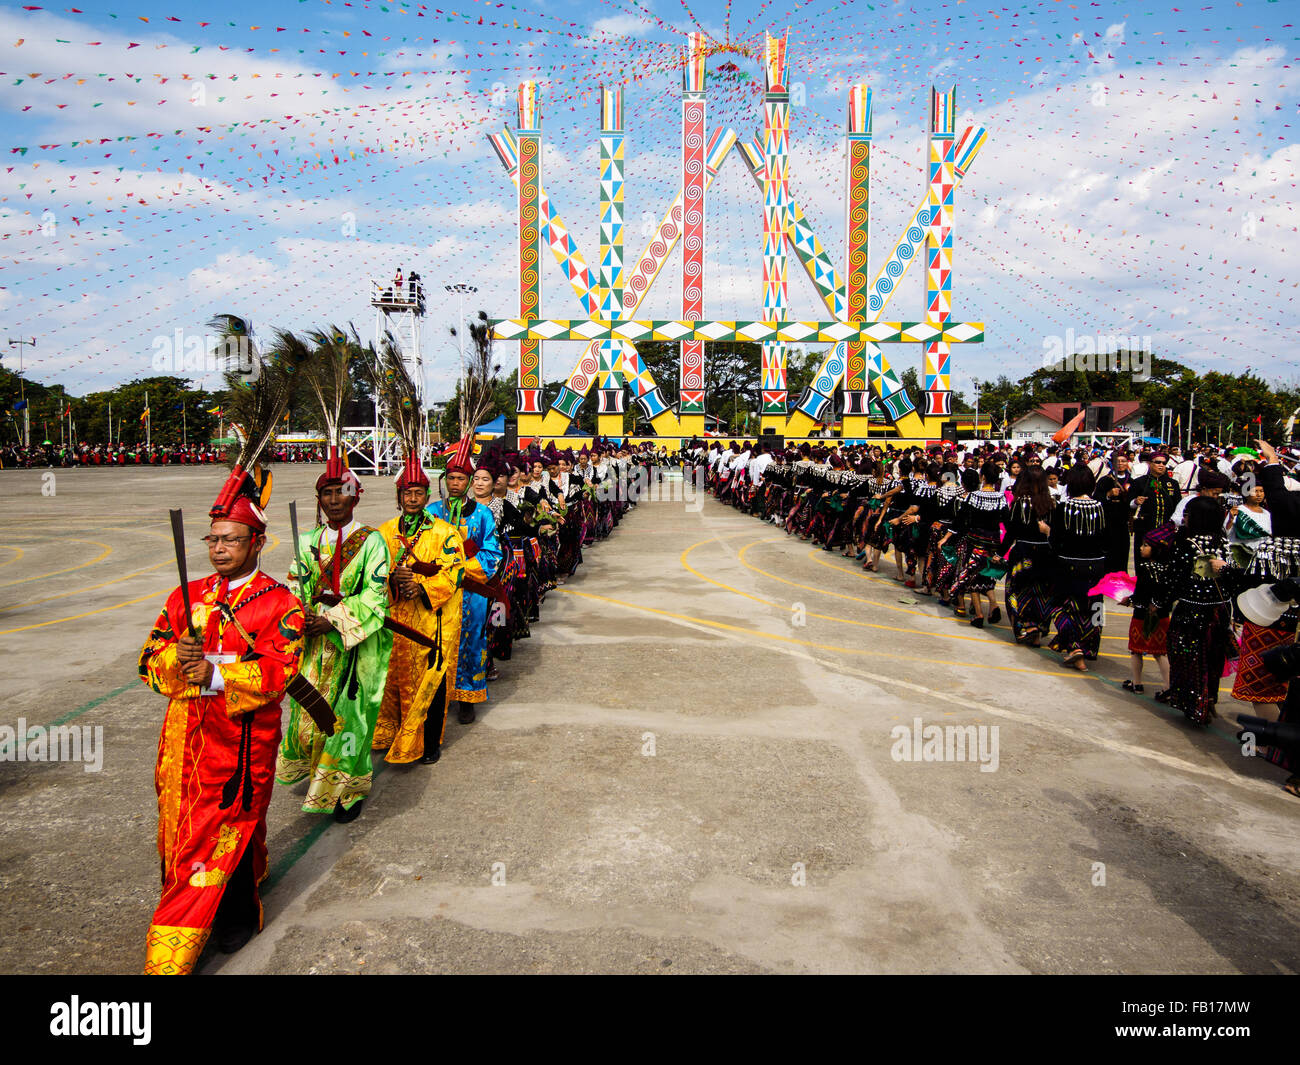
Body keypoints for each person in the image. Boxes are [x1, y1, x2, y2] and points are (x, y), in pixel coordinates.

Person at [138, 469, 303, 973]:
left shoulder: (280, 603)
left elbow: (281, 670)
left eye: (230, 540)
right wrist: (175, 658)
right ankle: (230, 895)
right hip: (183, 738)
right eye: (213, 540)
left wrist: (216, 672)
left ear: (258, 543)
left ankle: (226, 917)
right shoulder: (184, 596)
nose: (218, 549)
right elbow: (148, 661)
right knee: (185, 829)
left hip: (241, 739)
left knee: (228, 824)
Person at [276, 452, 393, 823]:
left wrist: (334, 620)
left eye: (341, 491)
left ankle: (347, 788)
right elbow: (294, 587)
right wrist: (302, 615)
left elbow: (375, 595)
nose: (333, 499)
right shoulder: (307, 540)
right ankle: (318, 778)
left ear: (354, 496)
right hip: (313, 647)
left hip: (355, 645)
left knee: (350, 718)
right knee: (310, 717)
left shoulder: (373, 541)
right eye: (326, 492)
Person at [375, 452, 466, 765]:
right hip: (394, 620)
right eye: (406, 493)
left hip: (430, 620)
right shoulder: (383, 533)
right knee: (392, 680)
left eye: (418, 493)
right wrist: (391, 579)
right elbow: (370, 572)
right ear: (398, 497)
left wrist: (422, 586)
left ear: (428, 496)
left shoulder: (444, 532)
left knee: (431, 680)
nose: (412, 499)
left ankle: (428, 742)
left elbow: (455, 571)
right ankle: (393, 734)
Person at [426, 436, 503, 724]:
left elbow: (492, 553)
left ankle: (468, 695)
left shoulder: (482, 514)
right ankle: (439, 695)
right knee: (440, 642)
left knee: (471, 642)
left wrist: (460, 568)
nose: (455, 483)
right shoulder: (433, 513)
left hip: (471, 591)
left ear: (469, 481)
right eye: (451, 478)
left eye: (460, 478)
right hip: (440, 590)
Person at [1157, 496, 1242, 725]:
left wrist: (1157, 602)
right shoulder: (1223, 542)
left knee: (1188, 656)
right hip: (1220, 610)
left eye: (1188, 514)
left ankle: (1194, 703)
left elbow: (1173, 578)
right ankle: (1209, 697)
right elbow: (1233, 576)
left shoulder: (1184, 542)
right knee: (1212, 657)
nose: (1184, 518)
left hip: (1190, 610)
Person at [1048, 464, 1108, 670]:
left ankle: (1074, 645)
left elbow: (1055, 541)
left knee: (1058, 605)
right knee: (1095, 606)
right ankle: (1089, 648)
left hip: (1069, 564)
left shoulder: (1063, 508)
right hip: (1097, 565)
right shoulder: (1101, 507)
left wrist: (1047, 532)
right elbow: (1108, 540)